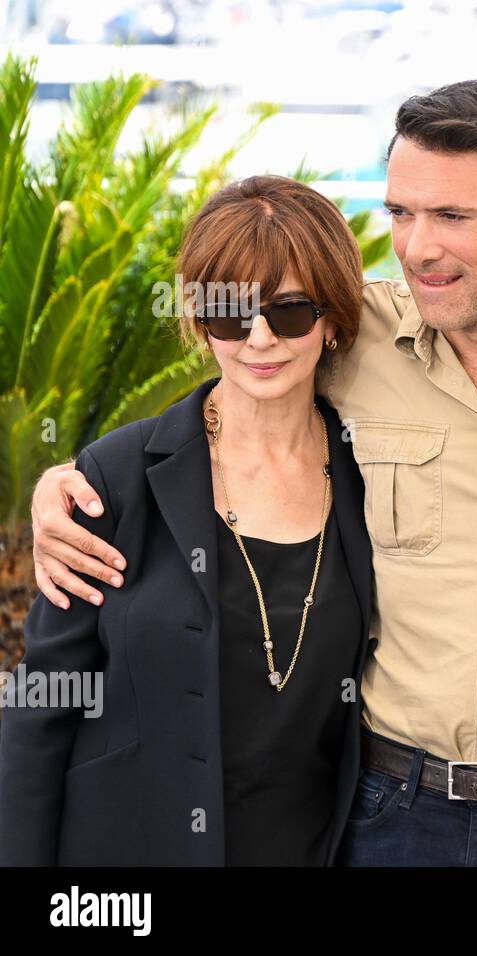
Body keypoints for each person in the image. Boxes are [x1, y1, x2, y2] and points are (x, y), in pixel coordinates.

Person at [28, 80, 477, 867]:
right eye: (400, 214)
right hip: (391, 817)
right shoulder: (354, 332)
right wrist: (67, 480)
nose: (416, 248)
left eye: (450, 215)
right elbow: (242, 377)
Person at [0, 175, 371, 865]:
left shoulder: (374, 474)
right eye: (231, 313)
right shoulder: (117, 475)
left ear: (334, 316)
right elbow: (39, 713)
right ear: (201, 321)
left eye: (290, 311)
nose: (260, 338)